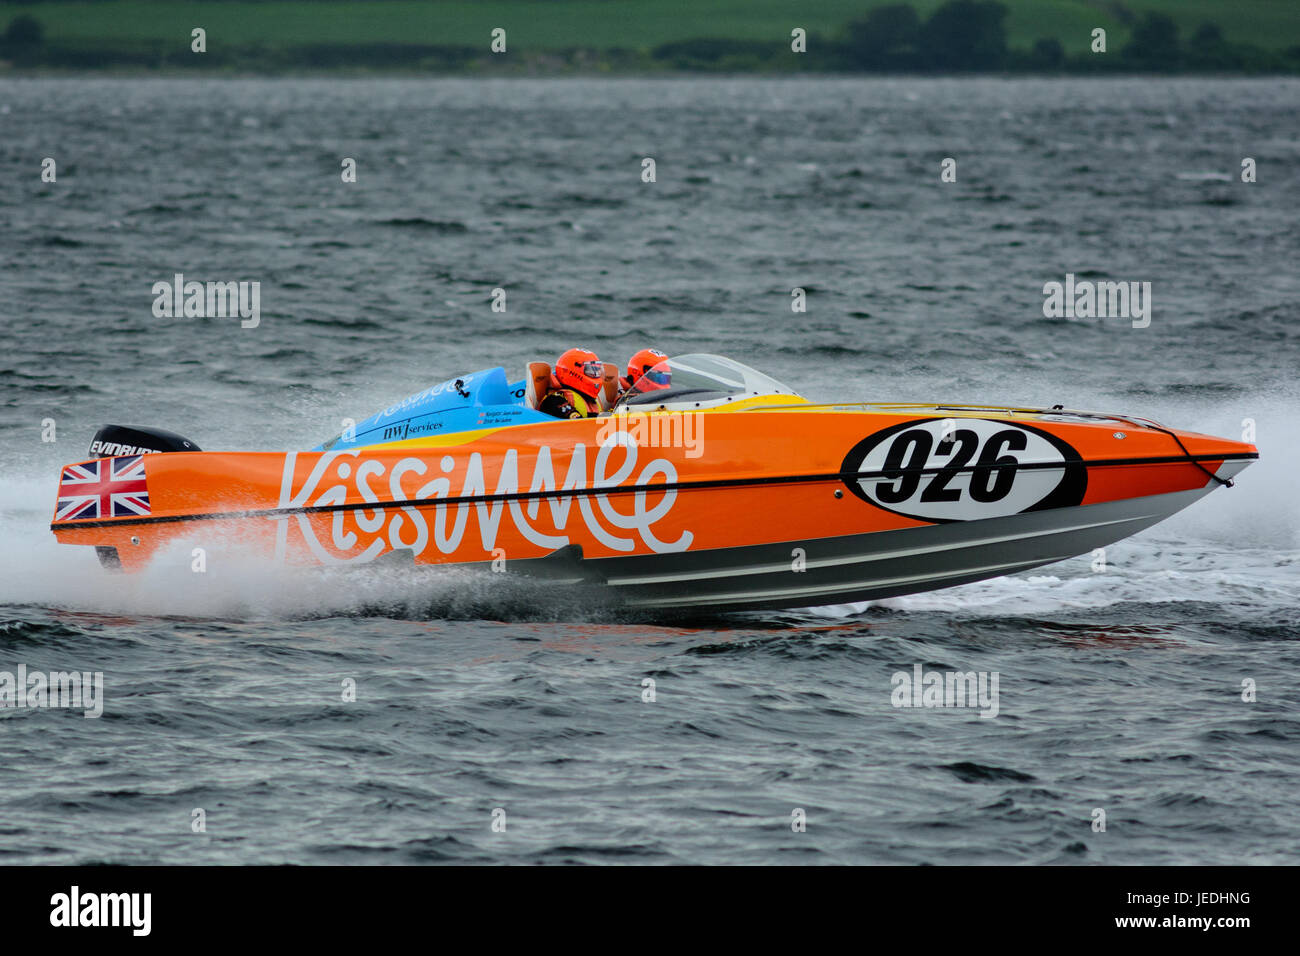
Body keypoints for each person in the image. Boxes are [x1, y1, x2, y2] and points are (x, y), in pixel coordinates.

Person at [538, 347, 604, 419]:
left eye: (597, 370)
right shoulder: (553, 400)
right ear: (572, 372)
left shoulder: (589, 399)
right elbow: (578, 422)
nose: (595, 374)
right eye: (590, 370)